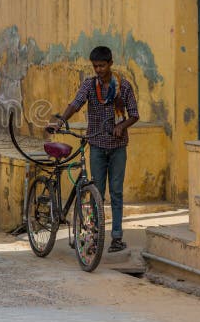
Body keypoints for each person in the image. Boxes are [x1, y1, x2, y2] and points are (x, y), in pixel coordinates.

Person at [48, 45, 139, 253]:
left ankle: (116, 237)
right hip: (96, 145)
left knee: (116, 192)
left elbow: (134, 114)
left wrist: (121, 126)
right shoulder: (89, 85)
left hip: (117, 147)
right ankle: (92, 238)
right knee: (95, 193)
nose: (98, 70)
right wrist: (61, 121)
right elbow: (76, 104)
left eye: (102, 65)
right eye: (95, 66)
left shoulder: (123, 86)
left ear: (110, 64)